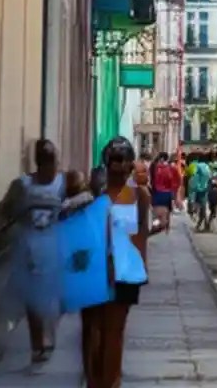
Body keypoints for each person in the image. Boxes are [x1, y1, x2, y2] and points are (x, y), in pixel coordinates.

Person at [82, 137, 165, 388]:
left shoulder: (139, 195)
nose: (118, 166)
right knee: (92, 331)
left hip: (125, 272)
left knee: (113, 332)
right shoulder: (95, 195)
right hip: (96, 272)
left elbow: (141, 233)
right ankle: (95, 380)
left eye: (123, 161)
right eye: (114, 160)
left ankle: (110, 381)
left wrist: (140, 266)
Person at [0, 139, 66, 364]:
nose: (50, 168)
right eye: (45, 163)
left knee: (52, 299)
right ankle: (38, 344)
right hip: (29, 249)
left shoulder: (63, 184)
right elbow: (6, 210)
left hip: (54, 248)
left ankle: (48, 336)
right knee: (33, 298)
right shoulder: (23, 186)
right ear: (38, 164)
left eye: (52, 162)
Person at [150, 153, 180, 232]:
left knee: (156, 213)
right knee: (166, 210)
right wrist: (174, 193)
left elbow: (152, 180)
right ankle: (166, 225)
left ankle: (157, 224)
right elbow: (177, 181)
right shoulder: (171, 168)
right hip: (167, 193)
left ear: (161, 158)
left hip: (157, 193)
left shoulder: (155, 167)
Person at [188, 154, 213, 232]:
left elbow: (194, 176)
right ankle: (204, 225)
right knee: (204, 207)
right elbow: (210, 177)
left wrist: (192, 187)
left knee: (199, 208)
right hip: (205, 189)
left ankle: (202, 225)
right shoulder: (207, 167)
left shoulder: (197, 166)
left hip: (197, 189)